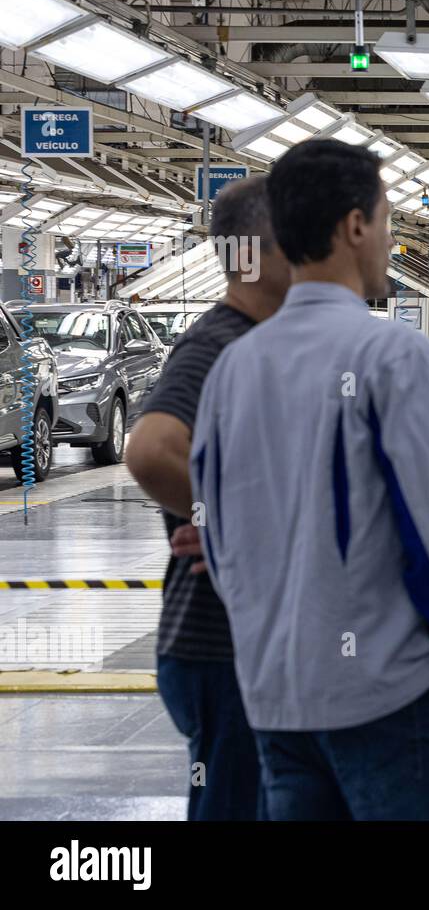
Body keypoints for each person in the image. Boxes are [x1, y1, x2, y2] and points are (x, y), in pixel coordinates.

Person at [189, 138, 429, 821]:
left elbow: (217, 538)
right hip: (387, 701)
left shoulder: (234, 368)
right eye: (387, 221)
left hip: (276, 703)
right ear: (355, 227)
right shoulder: (391, 354)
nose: (390, 241)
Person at [124, 176, 292, 820]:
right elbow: (150, 450)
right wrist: (238, 526)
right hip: (221, 640)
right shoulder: (218, 342)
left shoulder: (269, 343)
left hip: (253, 637)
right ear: (265, 251)